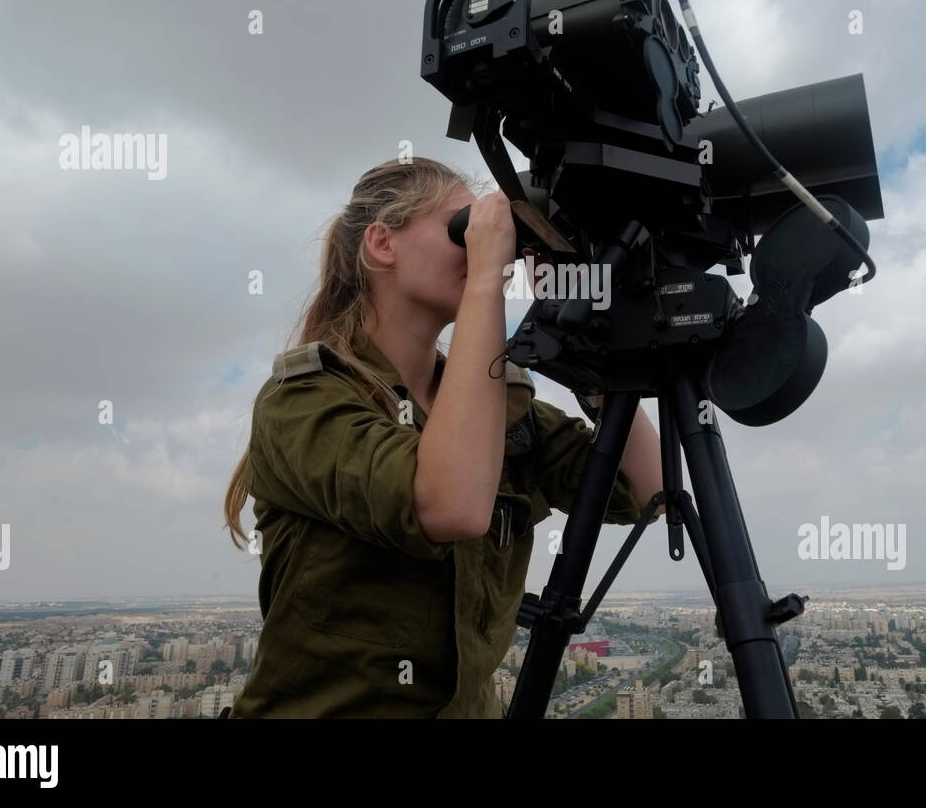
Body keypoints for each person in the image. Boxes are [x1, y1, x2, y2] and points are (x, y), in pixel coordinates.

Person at [222, 156, 664, 718]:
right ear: (383, 243)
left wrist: (597, 352)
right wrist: (485, 280)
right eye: (465, 226)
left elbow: (651, 490)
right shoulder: (303, 401)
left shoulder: (506, 413)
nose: (488, 246)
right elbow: (449, 503)